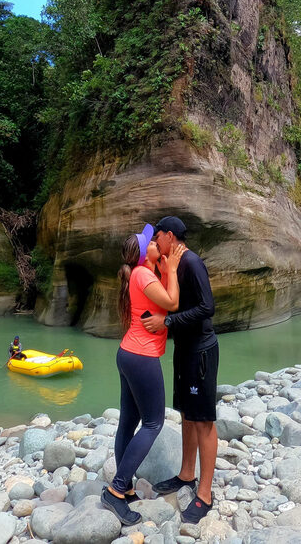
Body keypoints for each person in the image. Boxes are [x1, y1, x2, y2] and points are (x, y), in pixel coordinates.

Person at [100, 223, 184, 526]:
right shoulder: (143, 275)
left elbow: (162, 300)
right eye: (151, 242)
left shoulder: (142, 273)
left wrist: (163, 268)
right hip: (141, 356)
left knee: (128, 421)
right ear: (143, 253)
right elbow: (172, 303)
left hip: (129, 353)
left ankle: (125, 489)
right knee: (153, 423)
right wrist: (172, 269)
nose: (155, 243)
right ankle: (116, 489)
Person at [141, 216, 219, 524]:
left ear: (170, 236)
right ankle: (187, 474)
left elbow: (207, 307)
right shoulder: (173, 264)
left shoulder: (192, 262)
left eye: (157, 236)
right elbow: (170, 301)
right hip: (184, 349)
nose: (155, 242)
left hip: (201, 351)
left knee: (203, 420)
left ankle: (205, 494)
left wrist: (168, 322)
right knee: (187, 413)